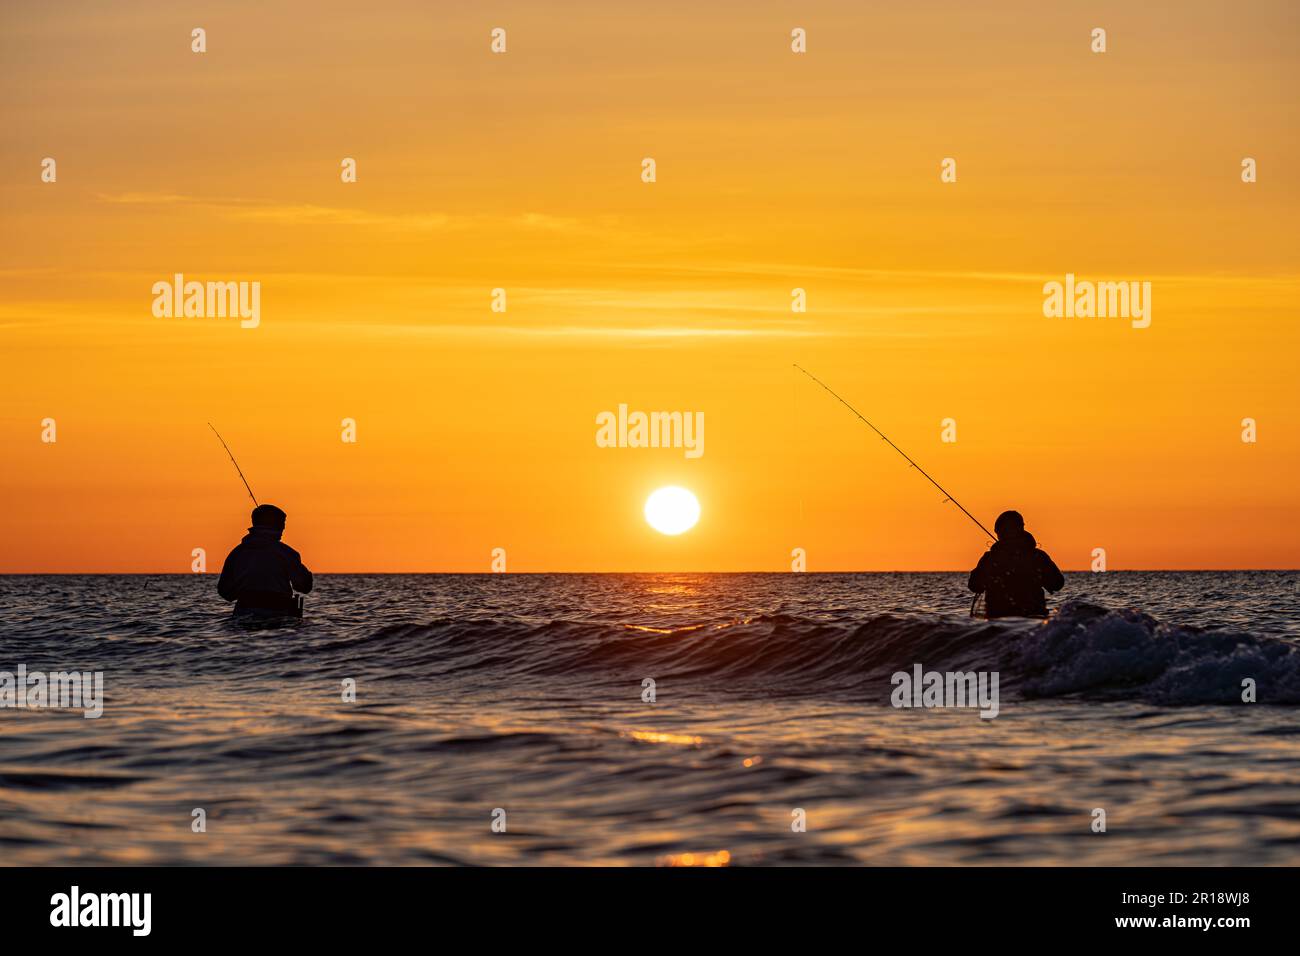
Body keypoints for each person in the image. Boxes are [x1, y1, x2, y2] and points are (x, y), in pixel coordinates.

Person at [217, 504, 313, 617]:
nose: (283, 528)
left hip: (243, 616)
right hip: (279, 617)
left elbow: (225, 592)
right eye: (282, 523)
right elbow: (304, 586)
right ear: (274, 525)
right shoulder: (286, 553)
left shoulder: (236, 553)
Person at [968, 510, 1064, 618]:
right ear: (1021, 529)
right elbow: (1057, 584)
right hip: (1033, 621)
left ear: (999, 532)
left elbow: (974, 586)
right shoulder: (1038, 556)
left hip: (998, 621)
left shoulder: (990, 558)